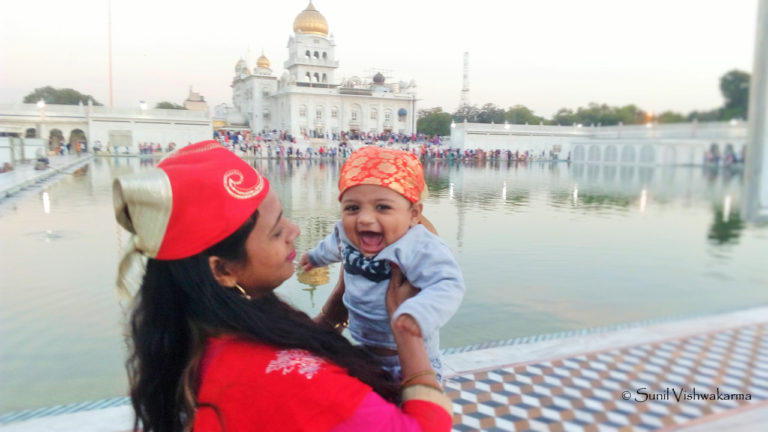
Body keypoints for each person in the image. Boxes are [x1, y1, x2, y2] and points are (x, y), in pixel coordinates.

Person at [113, 140, 452, 432]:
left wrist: (336, 308)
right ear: (223, 270)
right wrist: (408, 332)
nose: (294, 231)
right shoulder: (287, 381)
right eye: (276, 231)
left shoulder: (199, 334)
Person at [299, 146, 465, 381]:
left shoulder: (420, 244)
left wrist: (417, 314)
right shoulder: (349, 234)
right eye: (352, 208)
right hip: (365, 348)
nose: (365, 218)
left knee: (409, 411)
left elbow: (448, 284)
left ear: (414, 214)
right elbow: (334, 243)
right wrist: (315, 257)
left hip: (409, 358)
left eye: (383, 207)